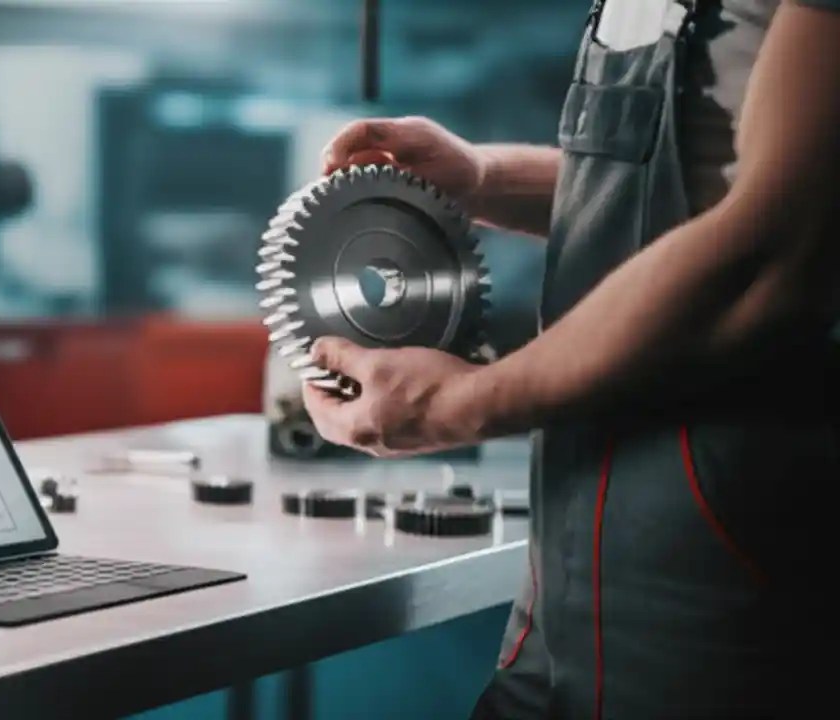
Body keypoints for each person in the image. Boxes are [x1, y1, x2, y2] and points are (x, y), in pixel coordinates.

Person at [303, 1, 838, 718]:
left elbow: (775, 251)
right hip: (562, 584)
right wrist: (484, 178)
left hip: (727, 573)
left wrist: (462, 403)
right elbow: (680, 194)